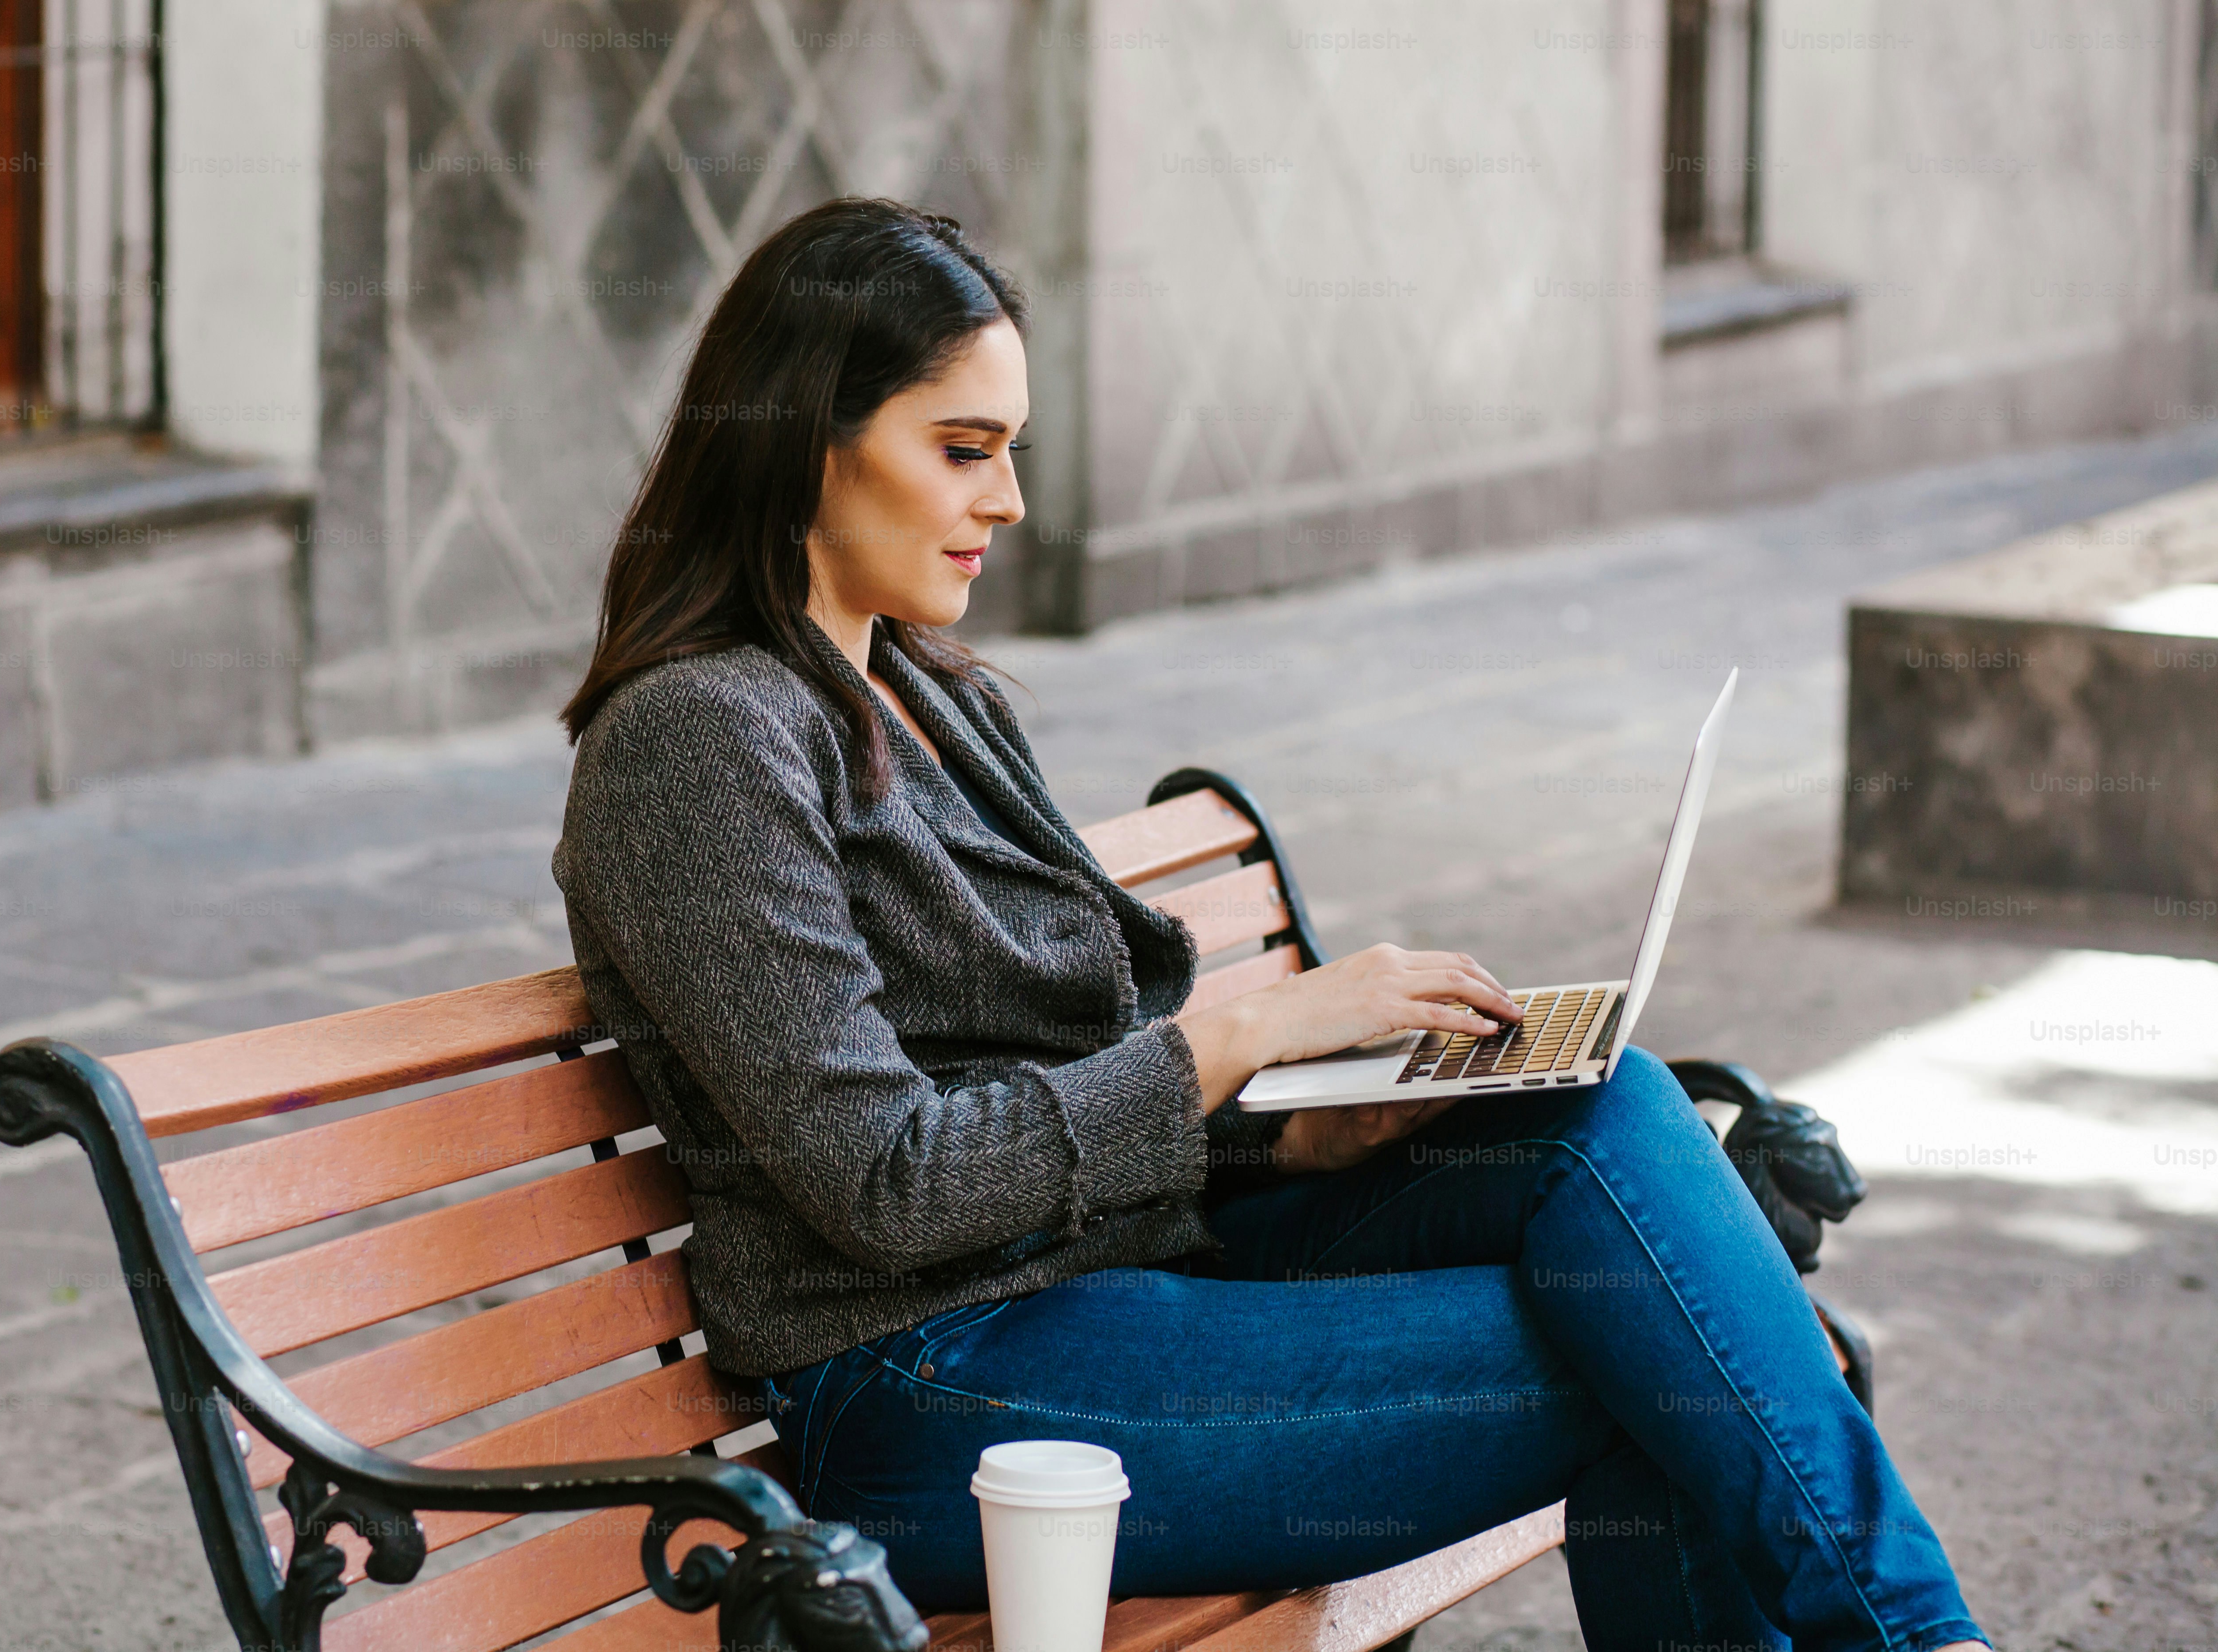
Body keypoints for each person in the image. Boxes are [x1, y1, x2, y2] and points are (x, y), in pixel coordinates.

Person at [552, 197, 1989, 1652]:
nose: (1010, 505)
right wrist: (1238, 1039)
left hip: (1121, 1287)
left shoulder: (939, 699)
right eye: (963, 451)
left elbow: (1073, 1062)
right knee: (1665, 1367)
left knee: (1597, 1107)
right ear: (807, 437)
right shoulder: (697, 741)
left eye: (1012, 455)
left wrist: (1300, 1129)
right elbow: (890, 1184)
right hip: (931, 1391)